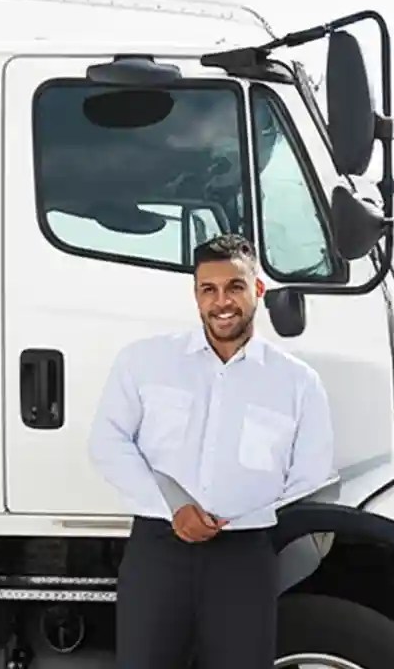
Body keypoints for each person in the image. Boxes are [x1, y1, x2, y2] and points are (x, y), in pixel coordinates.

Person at [88, 233, 335, 668]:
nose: (222, 301)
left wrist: (243, 514)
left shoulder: (297, 383)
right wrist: (174, 509)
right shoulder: (144, 362)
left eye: (235, 287)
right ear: (196, 295)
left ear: (257, 290)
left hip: (244, 559)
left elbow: (309, 474)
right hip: (158, 550)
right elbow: (108, 441)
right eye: (209, 289)